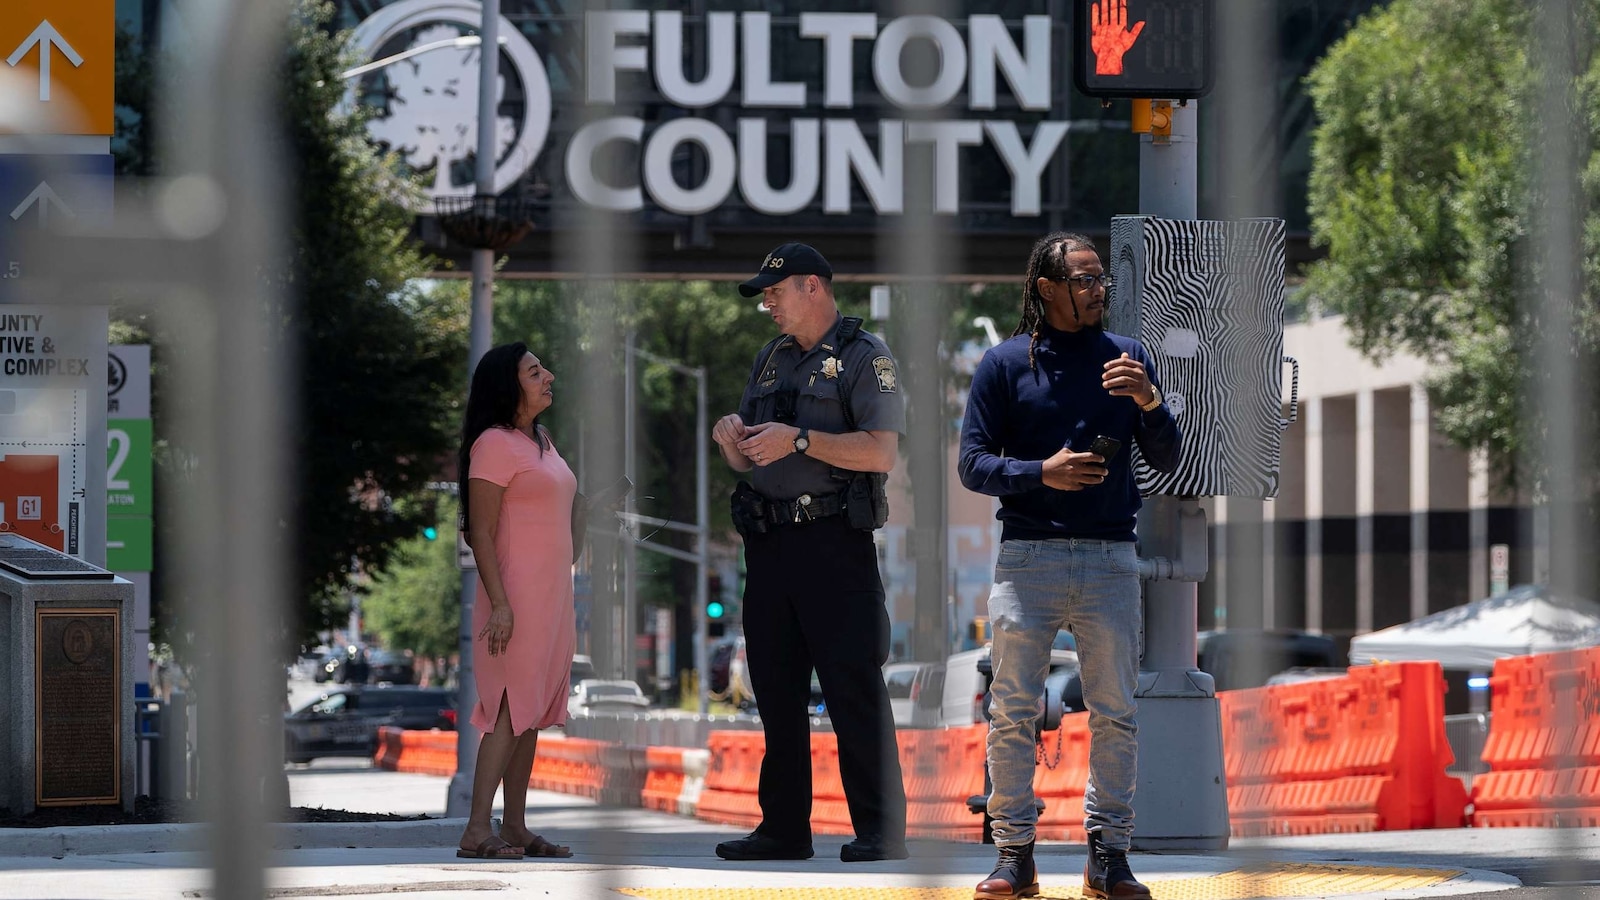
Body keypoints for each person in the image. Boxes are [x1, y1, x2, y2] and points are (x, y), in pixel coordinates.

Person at [957, 233, 1181, 900]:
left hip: (1111, 557)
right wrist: (1041, 473)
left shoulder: (1128, 358)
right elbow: (972, 464)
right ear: (1047, 289)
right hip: (1028, 559)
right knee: (1012, 712)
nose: (1097, 289)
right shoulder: (1004, 365)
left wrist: (1150, 402)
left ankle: (1108, 857)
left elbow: (1168, 458)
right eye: (1083, 280)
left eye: (1100, 278)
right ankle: (1014, 857)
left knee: (1115, 713)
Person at [710, 242, 909, 863]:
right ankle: (784, 828)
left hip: (834, 542)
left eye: (775, 291)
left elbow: (880, 450)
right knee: (775, 691)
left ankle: (881, 831)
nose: (767, 304)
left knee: (853, 687)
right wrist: (731, 440)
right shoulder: (771, 358)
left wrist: (799, 439)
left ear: (813, 286)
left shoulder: (865, 356)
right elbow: (750, 457)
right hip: (770, 545)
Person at [455, 342, 580, 861]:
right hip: (514, 597)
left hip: (554, 597)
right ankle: (476, 829)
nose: (548, 376)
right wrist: (501, 604)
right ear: (509, 387)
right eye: (534, 372)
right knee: (508, 709)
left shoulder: (543, 441)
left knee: (531, 712)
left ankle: (515, 826)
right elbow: (480, 533)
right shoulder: (493, 444)